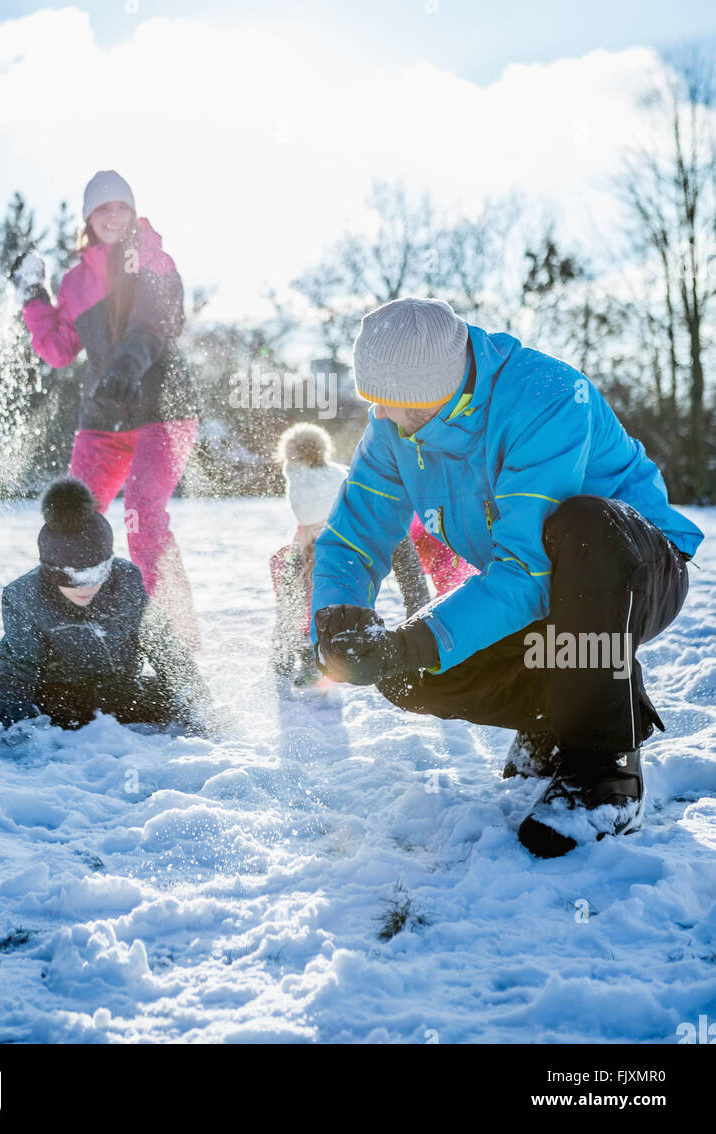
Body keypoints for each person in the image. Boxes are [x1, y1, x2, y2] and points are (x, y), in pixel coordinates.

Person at [310, 297, 704, 858]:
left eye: (403, 406)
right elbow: (354, 535)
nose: (386, 418)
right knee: (407, 672)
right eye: (376, 401)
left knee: (581, 526)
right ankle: (559, 712)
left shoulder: (545, 398)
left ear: (445, 389)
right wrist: (337, 614)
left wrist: (420, 637)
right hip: (542, 593)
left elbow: (527, 569)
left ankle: (603, 772)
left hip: (635, 568)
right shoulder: (392, 430)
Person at [10, 169, 200, 648]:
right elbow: (56, 349)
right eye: (103, 208)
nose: (114, 215)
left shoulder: (149, 254)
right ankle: (66, 634)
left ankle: (170, 638)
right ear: (88, 218)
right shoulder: (75, 283)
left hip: (162, 406)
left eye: (122, 206)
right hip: (104, 416)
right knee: (72, 517)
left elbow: (154, 322)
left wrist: (127, 366)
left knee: (142, 509)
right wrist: (34, 295)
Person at [0, 478, 213, 733]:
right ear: (50, 572)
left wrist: (198, 706)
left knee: (173, 694)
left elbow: (166, 649)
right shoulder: (24, 598)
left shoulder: (127, 583)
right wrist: (14, 726)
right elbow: (17, 668)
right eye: (72, 580)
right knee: (5, 705)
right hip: (58, 701)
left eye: (95, 576)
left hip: (121, 695)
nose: (85, 589)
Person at [269, 422, 469, 685]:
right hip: (329, 548)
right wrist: (285, 649)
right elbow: (293, 598)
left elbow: (412, 581)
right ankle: (310, 648)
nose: (323, 536)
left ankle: (458, 639)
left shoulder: (381, 518)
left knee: (443, 571)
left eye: (328, 528)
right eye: (314, 531)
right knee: (299, 573)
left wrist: (416, 639)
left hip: (423, 535)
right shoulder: (304, 539)